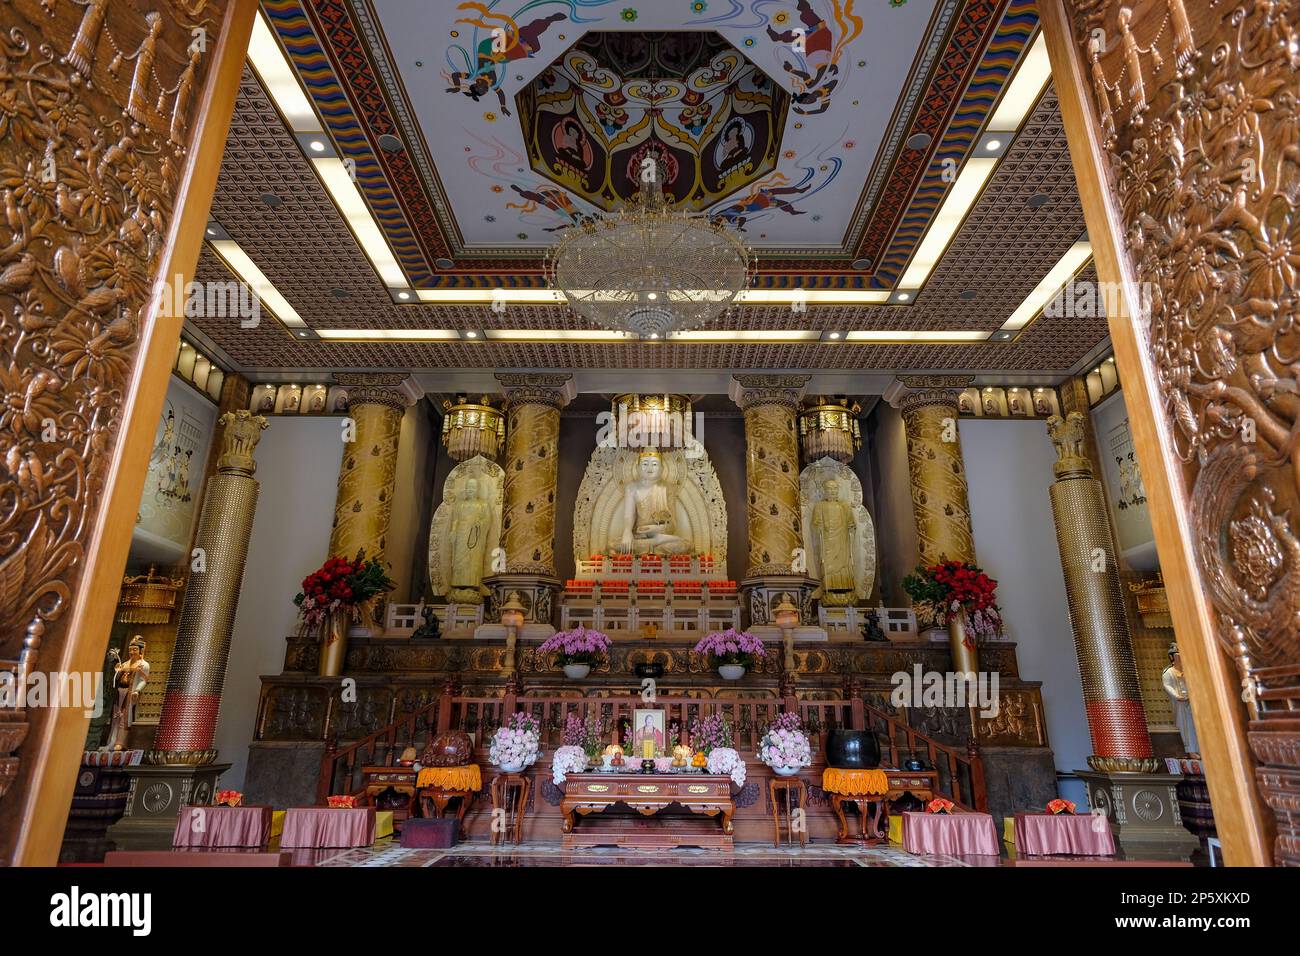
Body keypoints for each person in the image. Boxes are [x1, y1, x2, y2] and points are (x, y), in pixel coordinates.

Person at [106, 637, 149, 752]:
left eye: (135, 649)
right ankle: (111, 740)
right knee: (115, 717)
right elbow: (117, 679)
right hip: (120, 691)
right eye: (130, 649)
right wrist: (118, 672)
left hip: (130, 693)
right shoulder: (124, 663)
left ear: (141, 651)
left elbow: (143, 680)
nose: (132, 652)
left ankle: (120, 742)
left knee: (124, 718)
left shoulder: (143, 665)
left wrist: (137, 690)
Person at [1162, 643, 1200, 758]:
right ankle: (1189, 749)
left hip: (1190, 702)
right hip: (1180, 703)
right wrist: (1176, 696)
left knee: (1195, 725)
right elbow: (1167, 686)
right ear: (1172, 657)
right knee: (1185, 726)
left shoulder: (1187, 670)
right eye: (1178, 655)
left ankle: (1198, 748)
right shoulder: (1169, 672)